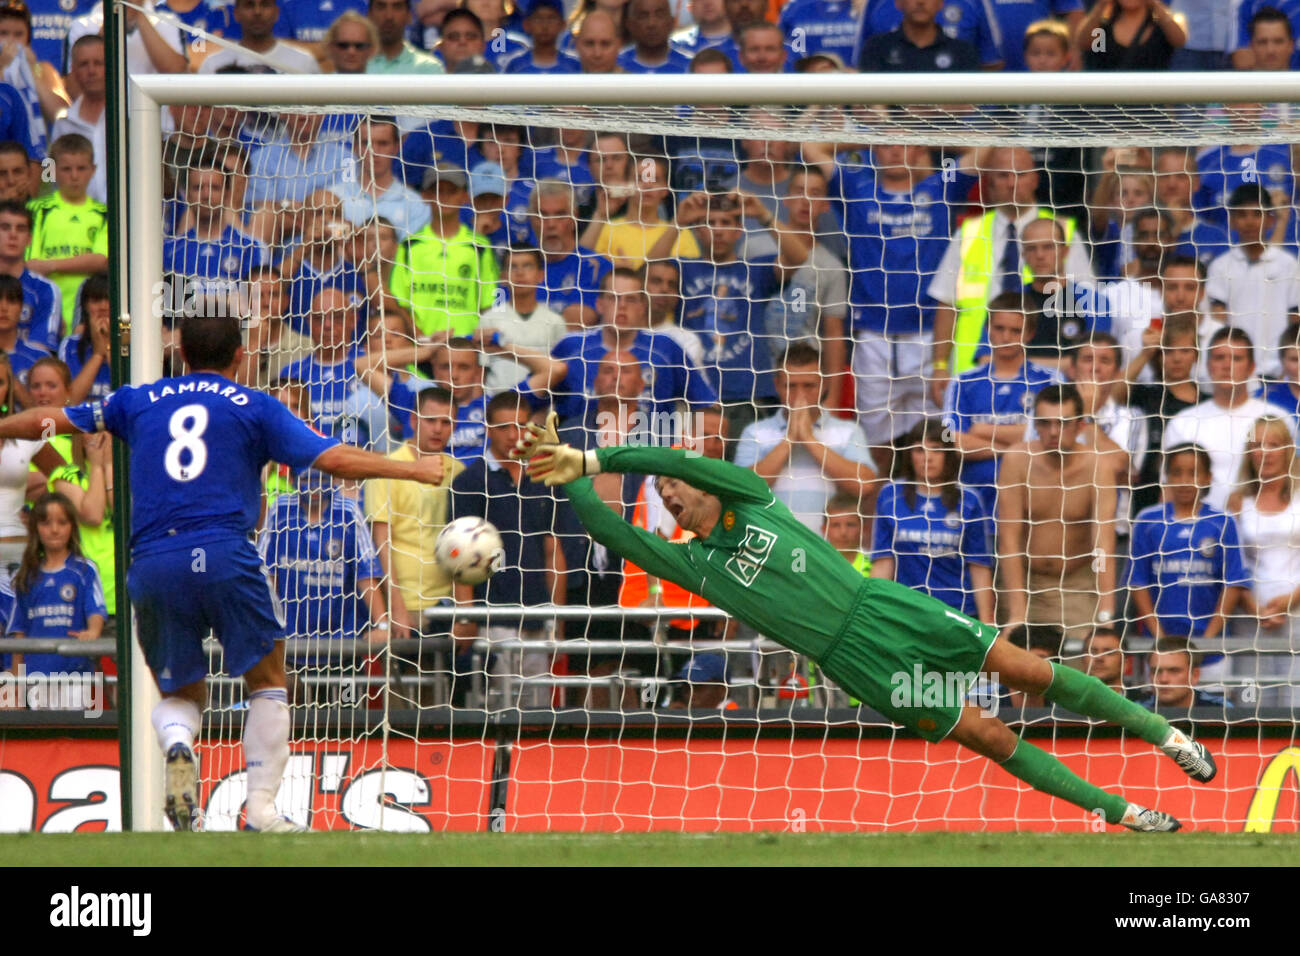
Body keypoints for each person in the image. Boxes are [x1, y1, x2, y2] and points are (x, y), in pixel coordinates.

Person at [511, 414, 1218, 831]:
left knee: (1026, 670)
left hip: (885, 606)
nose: (668, 490)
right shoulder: (698, 568)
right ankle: (1126, 815)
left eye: (675, 482)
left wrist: (598, 454)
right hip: (860, 662)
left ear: (702, 482)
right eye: (662, 494)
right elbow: (614, 527)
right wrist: (569, 475)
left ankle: (1168, 735)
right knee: (988, 732)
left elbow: (669, 454)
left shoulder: (752, 497)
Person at [0, 312, 446, 831]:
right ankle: (259, 808)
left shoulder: (134, 401)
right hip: (224, 553)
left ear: (181, 355)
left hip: (154, 560)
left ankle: (178, 744)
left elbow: (48, 420)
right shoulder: (256, 406)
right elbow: (332, 459)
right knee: (267, 678)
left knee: (180, 693)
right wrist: (412, 467)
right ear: (239, 356)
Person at [449, 391, 565, 709]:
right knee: (494, 714)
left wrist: (559, 618)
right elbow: (458, 554)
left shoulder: (546, 477)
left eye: (520, 426)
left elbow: (553, 549)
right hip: (492, 618)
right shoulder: (469, 481)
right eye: (503, 427)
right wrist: (468, 615)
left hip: (538, 618)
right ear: (487, 429)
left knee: (539, 715)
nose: (513, 435)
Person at [997, 384, 1119, 643]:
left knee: (1075, 671)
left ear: (1080, 425)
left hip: (1076, 585)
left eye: (1063, 423)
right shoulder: (1017, 460)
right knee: (1019, 671)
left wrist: (1106, 609)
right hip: (1026, 582)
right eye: (1045, 423)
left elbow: (1103, 545)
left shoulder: (1097, 466)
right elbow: (1009, 539)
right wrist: (1017, 611)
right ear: (1036, 425)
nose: (1053, 431)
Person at [1128, 443, 1248, 688]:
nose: (1184, 480)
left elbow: (1233, 583)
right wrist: (1161, 640)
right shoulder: (1147, 520)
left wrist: (1208, 639)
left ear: (1207, 477)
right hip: (1160, 649)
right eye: (1177, 472)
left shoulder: (1222, 522)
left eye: (1193, 473)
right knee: (1159, 718)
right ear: (1167, 477)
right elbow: (1137, 582)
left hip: (1211, 651)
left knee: (1213, 718)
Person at [942, 293, 1063, 519]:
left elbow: (1055, 438)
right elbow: (950, 440)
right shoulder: (962, 382)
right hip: (972, 506)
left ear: (1030, 334)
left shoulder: (1050, 381)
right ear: (988, 329)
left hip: (1036, 501)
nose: (1006, 336)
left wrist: (982, 431)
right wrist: (1011, 448)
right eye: (999, 328)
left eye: (1015, 331)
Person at [733, 340, 876, 532]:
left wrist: (809, 439)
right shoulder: (754, 432)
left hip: (827, 549)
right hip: (771, 546)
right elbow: (742, 489)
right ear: (777, 385)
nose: (800, 395)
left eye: (809, 386)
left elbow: (864, 485)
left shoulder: (849, 431)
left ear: (824, 385)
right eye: (791, 386)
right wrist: (789, 440)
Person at [364, 385, 464, 640]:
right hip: (407, 604)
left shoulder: (461, 472)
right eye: (431, 420)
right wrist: (396, 607)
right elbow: (382, 543)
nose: (439, 428)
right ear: (413, 420)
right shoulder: (388, 468)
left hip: (449, 604)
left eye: (447, 422)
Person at [870, 418, 993, 623]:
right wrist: (873, 613)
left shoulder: (969, 501)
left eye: (936, 449)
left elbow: (979, 567)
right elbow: (883, 563)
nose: (927, 457)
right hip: (907, 613)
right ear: (909, 455)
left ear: (949, 455)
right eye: (919, 450)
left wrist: (987, 623)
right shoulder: (890, 495)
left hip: (959, 614)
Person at [1162, 326, 1295, 511]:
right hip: (1201, 532)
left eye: (1237, 358)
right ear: (1208, 366)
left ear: (1252, 368)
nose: (1227, 365)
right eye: (1219, 357)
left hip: (1261, 530)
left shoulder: (1278, 418)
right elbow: (1168, 492)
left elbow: (1294, 483)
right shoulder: (1183, 423)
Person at [5, 491, 105, 710]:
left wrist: (93, 632)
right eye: (46, 523)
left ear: (72, 527)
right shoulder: (27, 575)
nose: (54, 529)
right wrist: (15, 686)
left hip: (74, 677)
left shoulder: (85, 570)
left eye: (62, 522)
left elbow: (96, 610)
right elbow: (18, 634)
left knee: (72, 736)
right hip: (35, 679)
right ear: (36, 529)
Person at [1226, 415, 1300, 708]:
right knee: (1251, 705)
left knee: (1295, 705)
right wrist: (1252, 606)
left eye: (1273, 444)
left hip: (1297, 616)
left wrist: (1290, 600)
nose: (1264, 452)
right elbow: (1231, 562)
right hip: (1250, 617)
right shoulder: (1236, 502)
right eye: (1257, 445)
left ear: (1288, 449)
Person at [389, 163, 500, 338]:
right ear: (425, 196)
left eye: (452, 191)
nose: (445, 197)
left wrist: (485, 334)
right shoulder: (410, 245)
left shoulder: (480, 246)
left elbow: (491, 300)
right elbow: (399, 301)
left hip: (465, 346)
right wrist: (418, 337)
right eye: (438, 191)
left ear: (464, 196)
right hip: (421, 347)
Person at [1205, 183, 1298, 378]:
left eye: (1257, 214)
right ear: (1232, 220)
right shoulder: (1220, 267)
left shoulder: (1288, 264)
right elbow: (1217, 320)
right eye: (1242, 214)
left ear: (1270, 220)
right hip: (1236, 369)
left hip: (1280, 369)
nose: (1249, 221)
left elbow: (1295, 319)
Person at [25, 133, 107, 336]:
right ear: (53, 170)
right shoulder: (36, 209)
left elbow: (100, 260)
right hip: (43, 310)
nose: (74, 176)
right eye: (66, 169)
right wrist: (79, 263)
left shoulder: (104, 214)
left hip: (88, 315)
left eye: (81, 168)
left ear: (93, 170)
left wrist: (51, 265)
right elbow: (32, 265)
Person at [199, 0, 320, 73]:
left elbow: (319, 113)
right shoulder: (213, 66)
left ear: (277, 13)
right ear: (236, 14)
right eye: (249, 5)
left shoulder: (303, 64)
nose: (257, 12)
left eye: (265, 4)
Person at [858, 0, 980, 73]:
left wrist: (927, 111)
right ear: (898, 2)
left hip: (947, 118)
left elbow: (968, 104)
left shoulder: (963, 51)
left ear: (940, 3)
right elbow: (868, 98)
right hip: (890, 117)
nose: (920, 2)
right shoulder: (877, 47)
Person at [1077, 0, 1186, 70]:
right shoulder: (1102, 28)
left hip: (1151, 101)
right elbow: (1083, 43)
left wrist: (1156, 6)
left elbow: (1179, 40)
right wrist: (1101, 5)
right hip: (1109, 100)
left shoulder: (1161, 27)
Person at [1134, 638, 1230, 713]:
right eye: (1156, 671)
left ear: (1195, 675)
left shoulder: (1221, 709)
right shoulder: (1136, 711)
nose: (1163, 679)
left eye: (1174, 671)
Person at [366, 0, 446, 75]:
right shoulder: (357, 65)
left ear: (409, 16)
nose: (389, 16)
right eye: (381, 7)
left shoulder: (429, 69)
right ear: (369, 15)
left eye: (397, 7)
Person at [618, 0, 692, 73]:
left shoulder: (690, 67)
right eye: (643, 16)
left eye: (659, 15)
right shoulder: (617, 65)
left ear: (671, 22)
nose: (651, 24)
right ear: (630, 25)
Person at [1081, 627, 1127, 696]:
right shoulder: (1065, 703)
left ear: (1125, 664)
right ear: (1082, 660)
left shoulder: (1143, 704)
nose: (1099, 658)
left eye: (1109, 653)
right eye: (1092, 652)